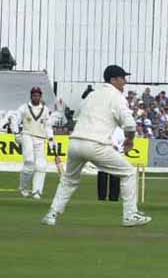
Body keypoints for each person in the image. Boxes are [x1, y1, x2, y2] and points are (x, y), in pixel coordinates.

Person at [41, 65, 151, 227]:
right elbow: (130, 125)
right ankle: (130, 215)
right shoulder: (117, 97)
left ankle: (51, 214)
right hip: (96, 144)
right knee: (128, 172)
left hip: (75, 142)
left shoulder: (91, 95)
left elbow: (77, 116)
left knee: (69, 180)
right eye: (122, 78)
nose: (125, 82)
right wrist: (129, 140)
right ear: (113, 80)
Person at [10, 87, 56, 199]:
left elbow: (48, 126)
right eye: (34, 95)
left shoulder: (45, 110)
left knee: (41, 165)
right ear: (31, 96)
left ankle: (37, 191)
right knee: (29, 162)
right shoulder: (24, 107)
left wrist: (51, 139)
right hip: (27, 136)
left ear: (41, 96)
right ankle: (23, 187)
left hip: (40, 139)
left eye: (38, 95)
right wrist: (16, 132)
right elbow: (14, 118)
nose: (36, 97)